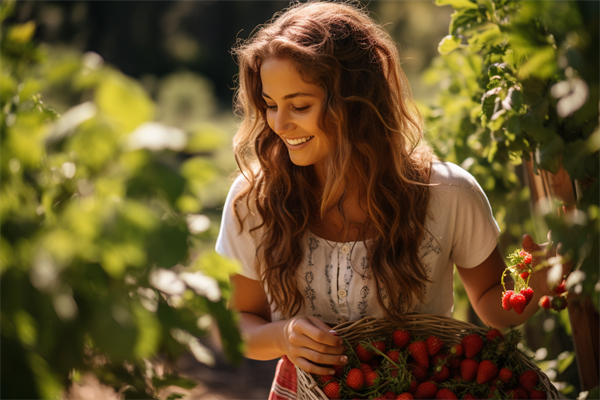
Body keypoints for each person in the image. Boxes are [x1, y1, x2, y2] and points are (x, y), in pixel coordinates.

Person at [216, 1, 566, 399]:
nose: (279, 124)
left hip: (418, 389)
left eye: (299, 106)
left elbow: (491, 306)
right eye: (271, 105)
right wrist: (283, 335)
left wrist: (535, 283)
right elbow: (239, 322)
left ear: (356, 102)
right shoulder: (254, 200)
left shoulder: (447, 194)